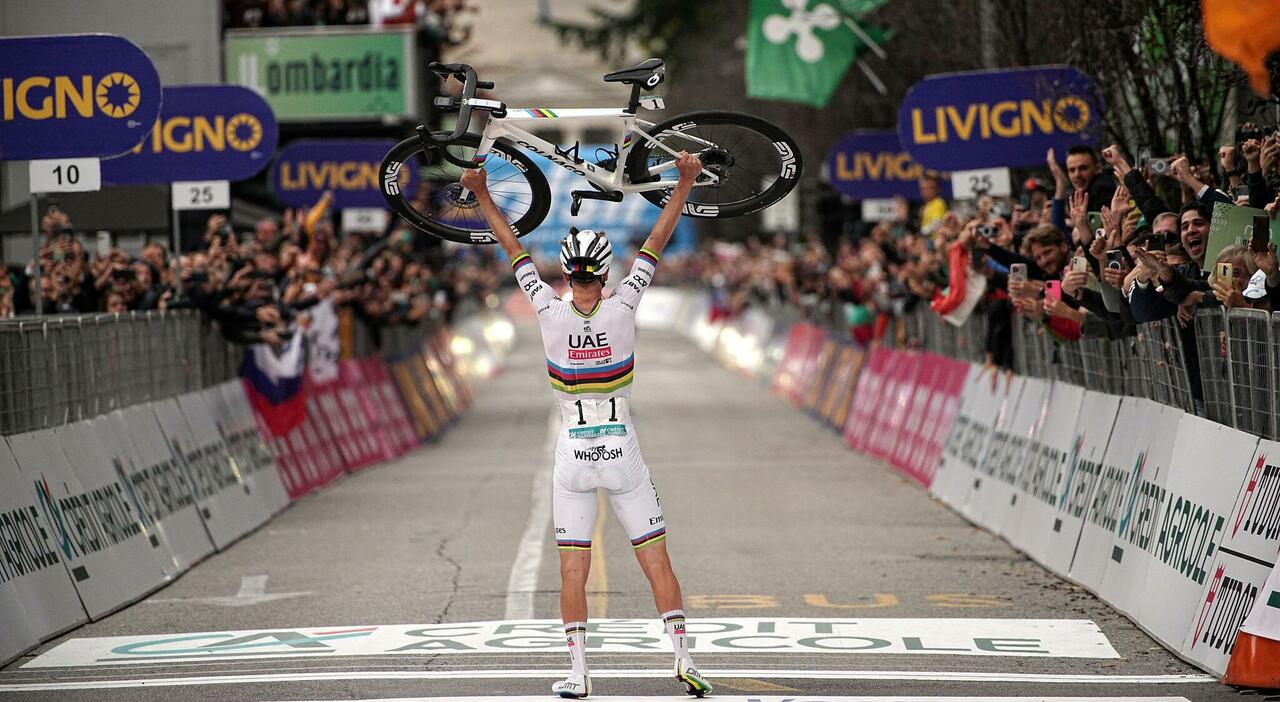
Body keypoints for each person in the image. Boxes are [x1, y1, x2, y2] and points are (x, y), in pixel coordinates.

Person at [460, 152, 712, 699]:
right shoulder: (624, 304)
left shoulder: (547, 310)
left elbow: (512, 248)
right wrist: (686, 181)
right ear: (602, 272)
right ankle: (684, 658)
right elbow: (660, 237)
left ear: (567, 274)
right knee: (656, 560)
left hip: (571, 454)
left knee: (572, 572)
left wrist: (481, 193)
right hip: (622, 450)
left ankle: (578, 673)